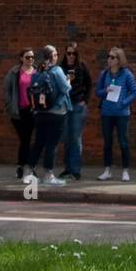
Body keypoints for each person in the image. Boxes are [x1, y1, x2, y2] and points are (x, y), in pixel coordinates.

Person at [23, 45, 71, 187]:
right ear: (52, 56)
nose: (57, 56)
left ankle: (28, 172)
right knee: (52, 144)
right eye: (56, 54)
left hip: (40, 113)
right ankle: (48, 175)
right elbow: (65, 88)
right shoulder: (57, 70)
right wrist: (69, 81)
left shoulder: (38, 70)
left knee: (38, 143)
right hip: (57, 112)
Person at [96, 45, 136, 181]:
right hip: (107, 113)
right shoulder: (104, 74)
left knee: (123, 142)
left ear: (119, 60)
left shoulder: (127, 74)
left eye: (112, 57)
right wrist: (105, 91)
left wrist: (124, 103)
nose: (109, 59)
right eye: (108, 57)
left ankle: (125, 171)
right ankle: (107, 170)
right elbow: (98, 92)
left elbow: (134, 91)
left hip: (122, 114)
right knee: (107, 142)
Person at [3, 46, 39, 179]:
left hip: (33, 110)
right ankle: (26, 167)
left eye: (32, 57)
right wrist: (9, 105)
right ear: (21, 58)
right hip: (19, 111)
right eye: (27, 57)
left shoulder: (37, 72)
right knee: (25, 139)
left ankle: (23, 167)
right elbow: (7, 89)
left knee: (27, 139)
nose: (30, 59)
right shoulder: (14, 72)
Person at [60, 42, 92, 179]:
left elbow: (89, 84)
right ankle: (67, 168)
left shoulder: (82, 66)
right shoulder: (61, 68)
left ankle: (75, 170)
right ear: (65, 54)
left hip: (78, 105)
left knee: (76, 138)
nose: (71, 56)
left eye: (74, 53)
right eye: (69, 53)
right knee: (66, 137)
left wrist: (85, 99)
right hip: (65, 105)